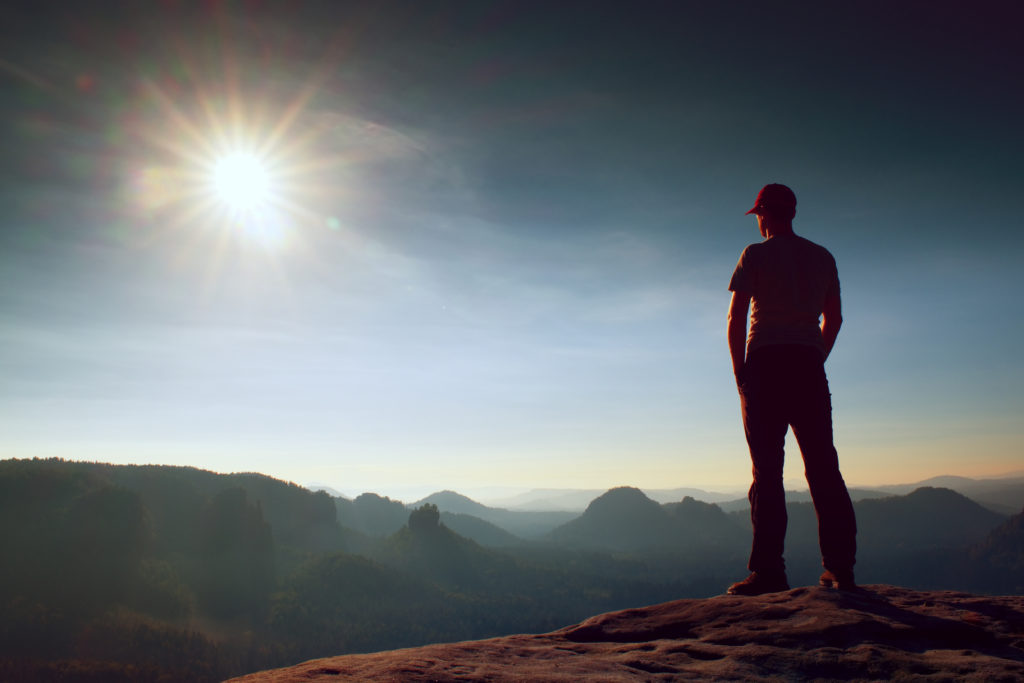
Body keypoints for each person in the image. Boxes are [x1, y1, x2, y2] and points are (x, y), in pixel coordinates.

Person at [726, 183, 857, 595]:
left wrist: (740, 373)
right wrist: (816, 356)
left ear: (765, 213)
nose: (759, 221)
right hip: (807, 365)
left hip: (765, 365)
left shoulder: (755, 255)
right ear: (793, 214)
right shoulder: (822, 257)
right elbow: (833, 320)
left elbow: (736, 318)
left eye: (759, 214)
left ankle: (768, 573)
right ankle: (840, 568)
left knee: (767, 472)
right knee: (823, 467)